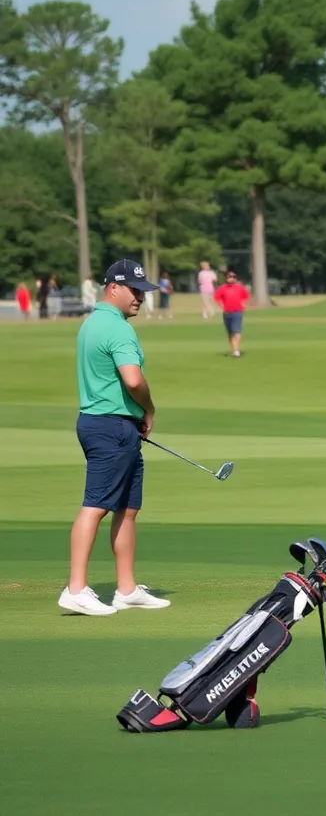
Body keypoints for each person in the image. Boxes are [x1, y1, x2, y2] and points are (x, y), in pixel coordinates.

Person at [59, 259, 171, 616]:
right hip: (111, 427)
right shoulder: (119, 330)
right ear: (113, 288)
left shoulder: (91, 324)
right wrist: (149, 409)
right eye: (135, 290)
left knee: (127, 508)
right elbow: (133, 380)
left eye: (142, 291)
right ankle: (75, 589)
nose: (140, 297)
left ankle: (126, 589)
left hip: (107, 423)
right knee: (95, 506)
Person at [214, 270, 250, 357]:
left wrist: (243, 303)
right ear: (226, 278)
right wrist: (221, 306)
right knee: (230, 333)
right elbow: (217, 297)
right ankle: (234, 349)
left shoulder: (240, 287)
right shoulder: (223, 288)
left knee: (236, 332)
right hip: (227, 312)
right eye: (230, 277)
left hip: (237, 312)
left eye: (234, 277)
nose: (232, 278)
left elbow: (246, 296)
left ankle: (236, 351)